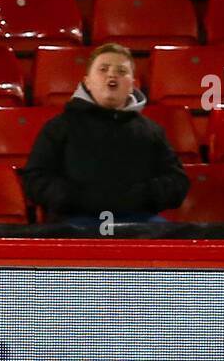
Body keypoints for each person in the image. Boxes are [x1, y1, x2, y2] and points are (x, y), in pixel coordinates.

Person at [23, 43, 189, 225]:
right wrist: (75, 198)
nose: (112, 75)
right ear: (87, 81)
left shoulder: (152, 132)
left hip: (140, 223)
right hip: (74, 223)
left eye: (121, 71)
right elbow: (35, 180)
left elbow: (177, 182)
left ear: (132, 84)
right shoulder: (59, 127)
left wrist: (142, 195)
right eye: (103, 69)